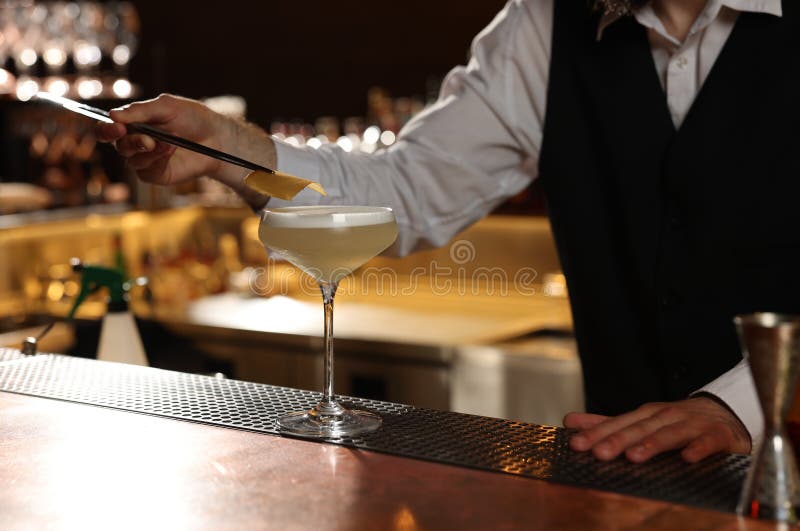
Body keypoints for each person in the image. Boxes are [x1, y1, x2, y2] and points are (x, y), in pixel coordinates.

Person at [97, 0, 796, 463]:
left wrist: (746, 407)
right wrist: (227, 148)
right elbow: (408, 191)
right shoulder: (545, 24)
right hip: (625, 479)